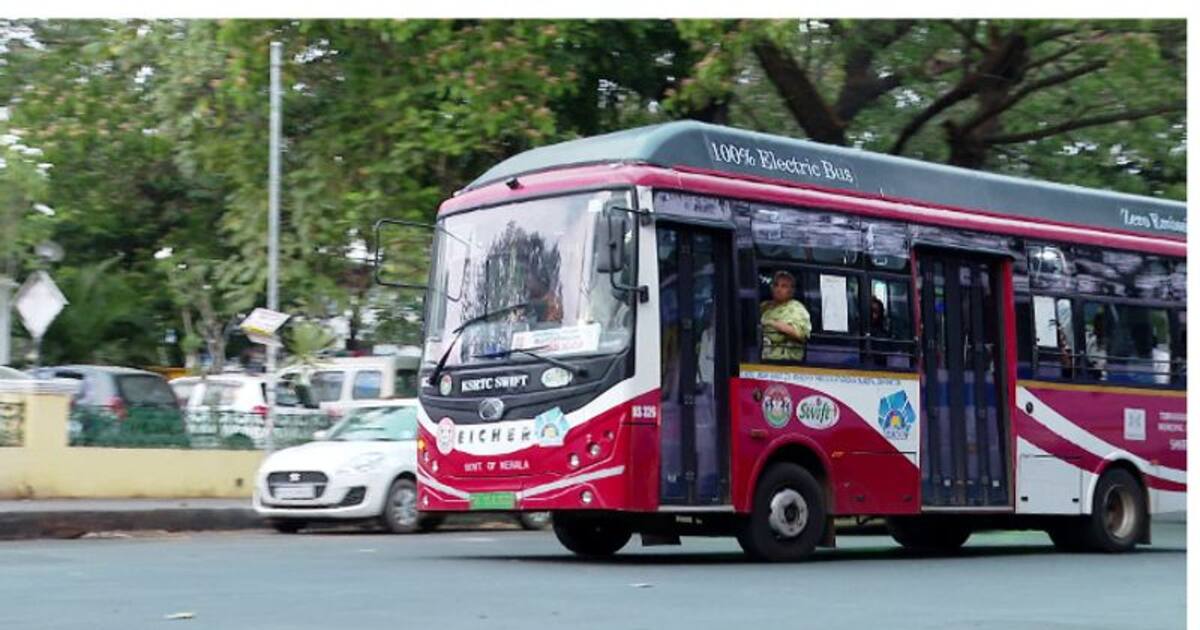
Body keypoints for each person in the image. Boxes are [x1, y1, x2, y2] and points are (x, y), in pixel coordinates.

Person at [760, 270, 811, 362]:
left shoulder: (796, 308)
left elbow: (801, 334)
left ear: (791, 291)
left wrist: (774, 324)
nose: (778, 289)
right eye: (776, 285)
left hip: (783, 362)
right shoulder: (765, 306)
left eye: (784, 286)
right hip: (761, 357)